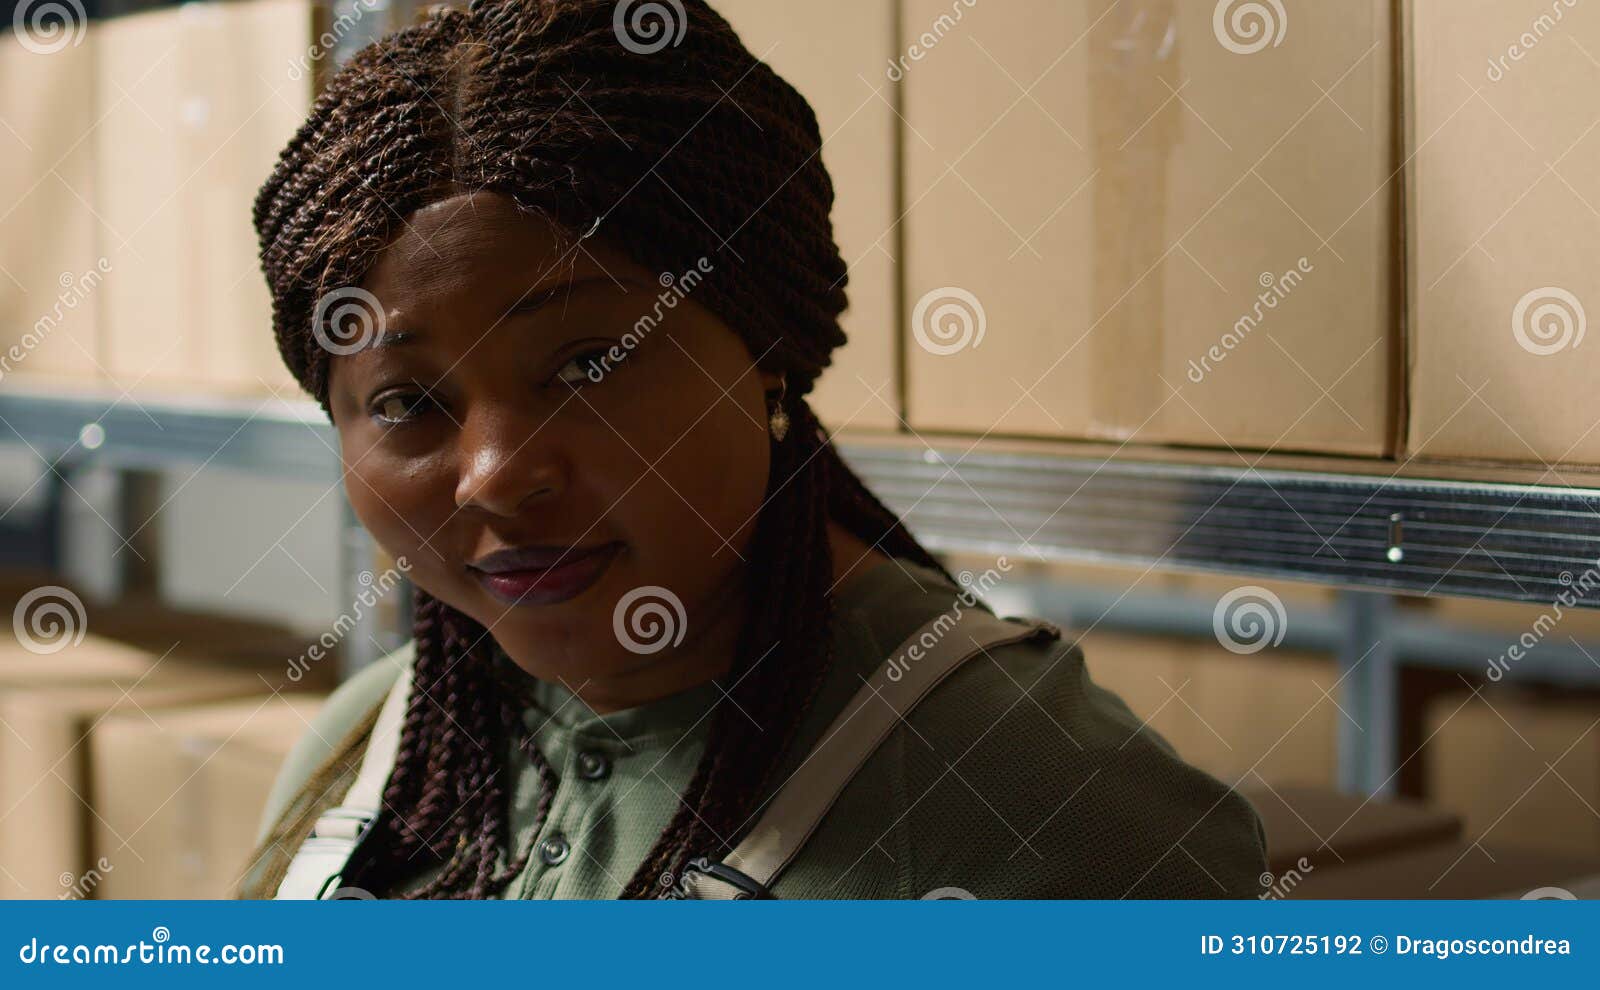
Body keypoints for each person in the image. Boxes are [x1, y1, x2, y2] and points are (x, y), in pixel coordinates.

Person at [237, 0, 1266, 900]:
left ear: (767, 355)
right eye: (409, 400)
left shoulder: (1057, 818)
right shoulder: (371, 754)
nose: (497, 473)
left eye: (589, 364)